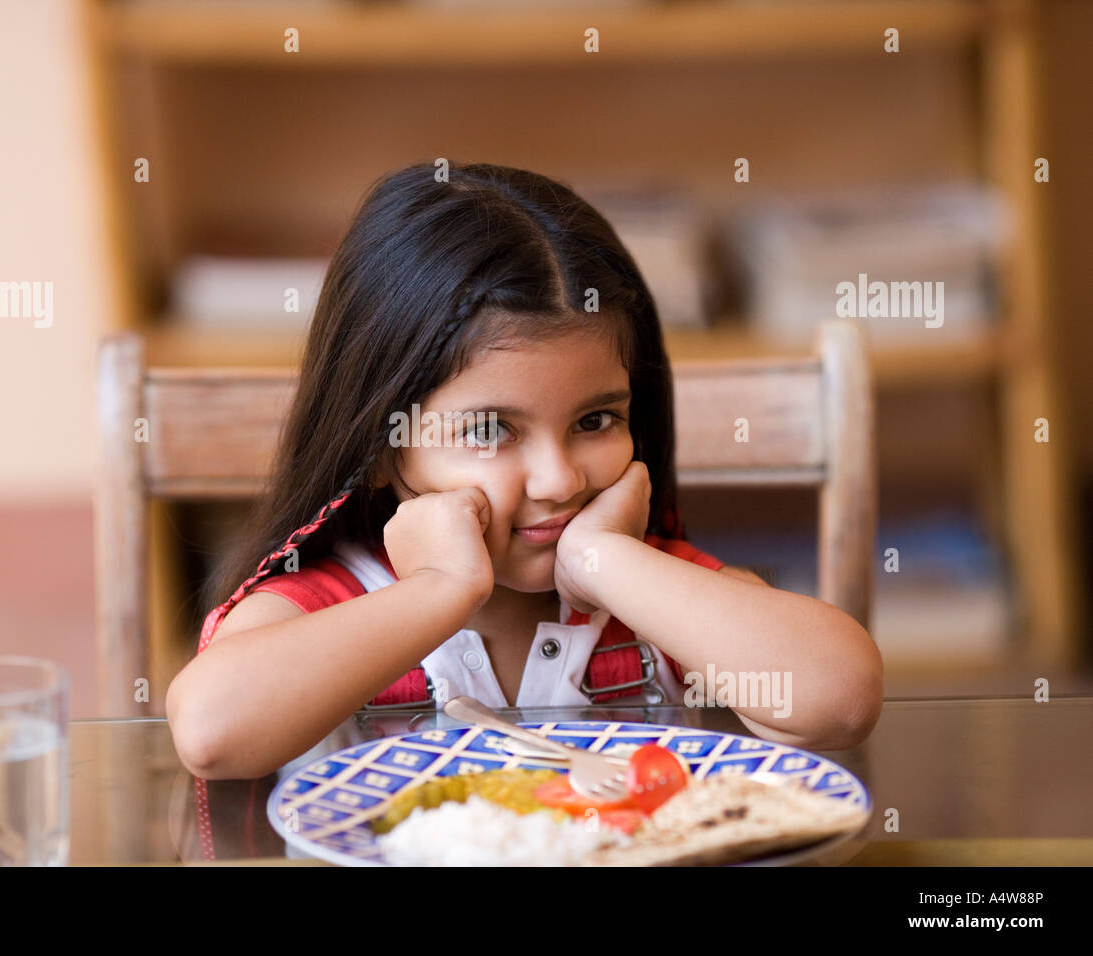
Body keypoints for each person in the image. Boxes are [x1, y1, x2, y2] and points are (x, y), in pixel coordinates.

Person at [166, 162, 883, 790]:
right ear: (383, 444)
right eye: (489, 431)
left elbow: (840, 699)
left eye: (595, 421)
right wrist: (439, 590)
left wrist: (601, 559)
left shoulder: (653, 595)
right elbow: (210, 734)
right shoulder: (324, 601)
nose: (558, 479)